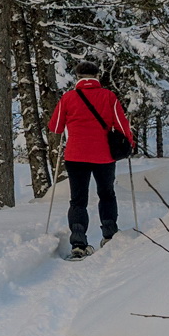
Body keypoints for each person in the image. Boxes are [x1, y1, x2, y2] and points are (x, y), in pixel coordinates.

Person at [47, 60, 134, 258]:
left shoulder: (68, 98)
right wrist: (129, 145)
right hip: (103, 156)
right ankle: (110, 235)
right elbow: (122, 124)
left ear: (77, 77)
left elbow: (56, 127)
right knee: (107, 194)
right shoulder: (108, 96)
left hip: (76, 156)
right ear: (97, 76)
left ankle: (78, 243)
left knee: (78, 200)